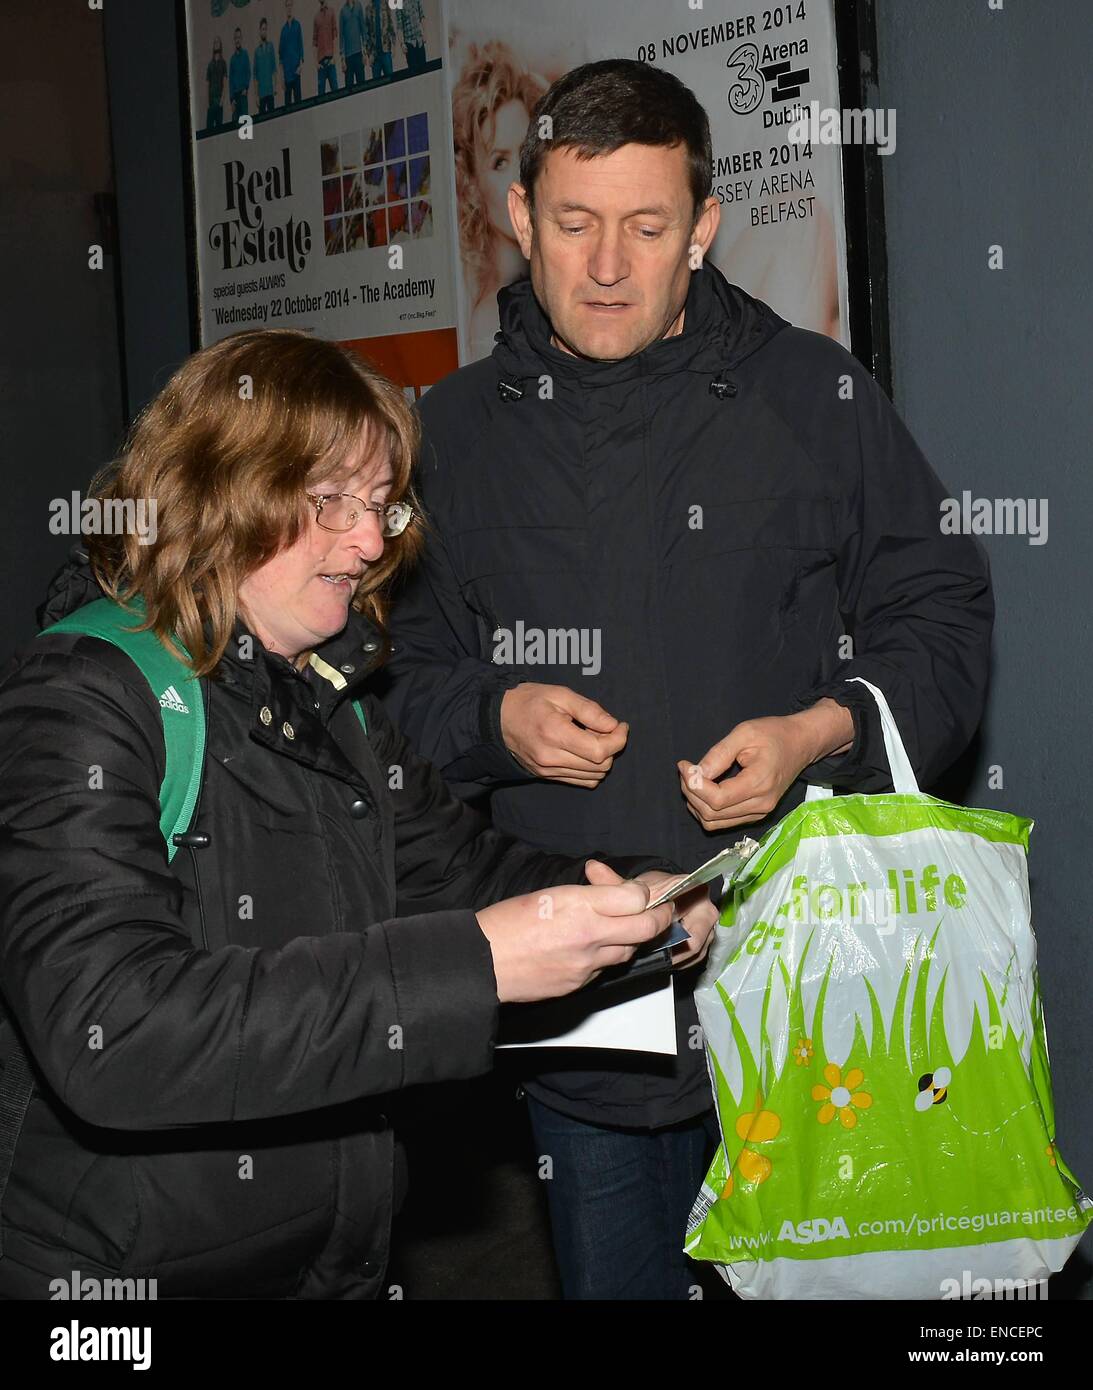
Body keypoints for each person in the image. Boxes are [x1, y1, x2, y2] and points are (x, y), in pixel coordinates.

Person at [378, 60, 994, 1299]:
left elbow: (942, 612)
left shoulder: (813, 395)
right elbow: (389, 692)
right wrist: (494, 716)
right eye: (574, 223)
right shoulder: (446, 438)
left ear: (702, 230)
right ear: (517, 218)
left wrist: (818, 732)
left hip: (808, 982)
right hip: (590, 1005)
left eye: (648, 228)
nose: (607, 264)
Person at [0, 329, 716, 1300]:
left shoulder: (326, 700)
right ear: (221, 488)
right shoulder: (85, 694)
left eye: (380, 505)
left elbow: (464, 871)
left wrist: (639, 902)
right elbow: (114, 1032)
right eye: (329, 500)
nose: (372, 542)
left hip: (328, 1260)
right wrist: (475, 963)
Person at [451, 43, 545, 361]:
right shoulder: (490, 322)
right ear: (473, 185)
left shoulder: (554, 289)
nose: (522, 175)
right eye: (499, 162)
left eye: (526, 151)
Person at [279, 0, 305, 106]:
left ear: (292, 7)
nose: (289, 8)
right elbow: (280, 56)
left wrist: (300, 66)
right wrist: (281, 78)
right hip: (287, 75)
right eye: (287, 6)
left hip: (296, 72)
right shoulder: (283, 30)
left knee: (298, 103)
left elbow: (301, 47)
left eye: (290, 5)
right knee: (288, 106)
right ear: (285, 8)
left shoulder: (297, 25)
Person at [363, 0, 395, 82]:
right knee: (376, 85)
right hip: (375, 56)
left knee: (391, 82)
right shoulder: (368, 9)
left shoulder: (386, 5)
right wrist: (369, 54)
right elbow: (366, 34)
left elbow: (391, 26)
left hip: (386, 52)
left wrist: (394, 46)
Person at [339, 0, 367, 90]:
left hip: (359, 54)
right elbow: (341, 36)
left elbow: (363, 29)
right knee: (349, 89)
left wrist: (365, 53)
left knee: (362, 86)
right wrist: (342, 59)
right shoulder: (343, 11)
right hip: (348, 57)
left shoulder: (358, 6)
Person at [314, 0, 339, 97]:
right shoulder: (316, 17)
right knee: (321, 95)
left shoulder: (331, 12)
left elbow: (335, 36)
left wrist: (335, 57)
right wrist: (316, 63)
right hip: (321, 62)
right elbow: (314, 41)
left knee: (336, 93)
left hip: (330, 59)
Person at [254, 17, 278, 116]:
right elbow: (255, 75)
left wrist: (275, 87)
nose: (264, 31)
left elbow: (274, 68)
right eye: (262, 29)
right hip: (261, 93)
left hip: (270, 91)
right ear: (260, 31)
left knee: (272, 118)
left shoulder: (270, 47)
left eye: (265, 29)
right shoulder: (257, 51)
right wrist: (256, 96)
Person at [397, 0, 428, 74]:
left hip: (420, 42)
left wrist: (425, 33)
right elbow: (399, 27)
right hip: (409, 44)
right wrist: (402, 44)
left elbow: (422, 17)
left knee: (424, 71)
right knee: (413, 73)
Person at [228, 26, 251, 123]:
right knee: (235, 123)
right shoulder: (232, 59)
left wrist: (246, 88)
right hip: (235, 97)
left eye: (239, 38)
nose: (237, 40)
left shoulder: (245, 54)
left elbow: (248, 72)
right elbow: (231, 80)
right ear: (234, 40)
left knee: (245, 122)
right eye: (235, 38)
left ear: (241, 39)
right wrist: (232, 99)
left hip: (243, 93)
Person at [206, 36, 227, 130]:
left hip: (219, 100)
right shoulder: (210, 65)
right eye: (215, 43)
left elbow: (225, 83)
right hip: (211, 101)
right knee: (209, 129)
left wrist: (222, 101)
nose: (216, 44)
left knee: (219, 128)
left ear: (220, 45)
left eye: (218, 42)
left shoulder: (223, 63)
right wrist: (207, 102)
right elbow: (207, 84)